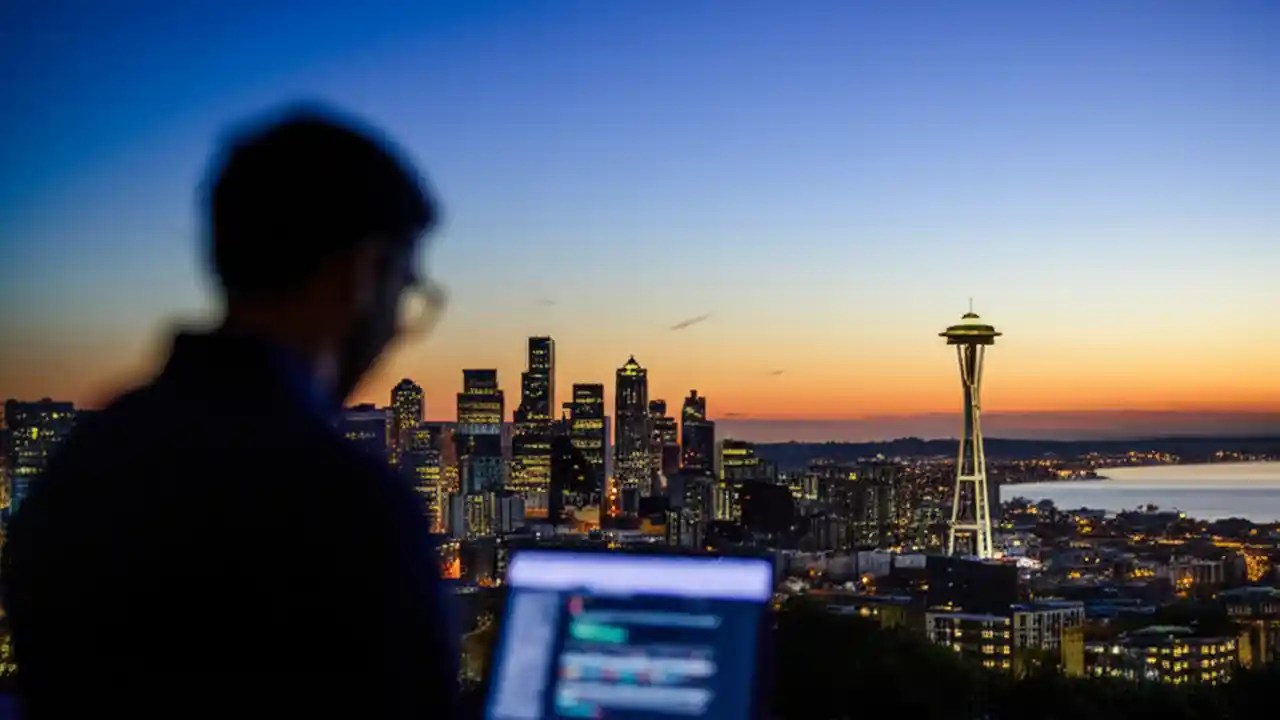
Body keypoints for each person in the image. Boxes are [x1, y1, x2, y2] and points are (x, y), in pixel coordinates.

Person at [3, 108, 456, 718]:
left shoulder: (81, 470)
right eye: (404, 289)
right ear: (363, 273)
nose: (398, 327)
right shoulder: (348, 508)